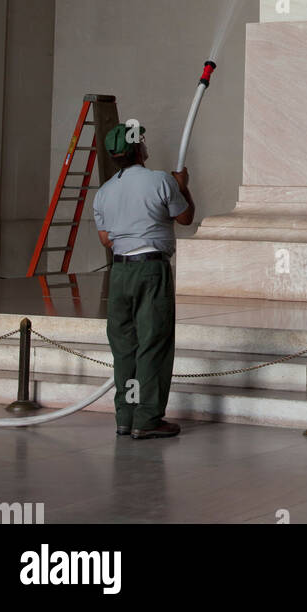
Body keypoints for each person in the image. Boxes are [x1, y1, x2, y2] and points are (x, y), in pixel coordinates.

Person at [93, 123, 194, 439]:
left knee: (125, 346)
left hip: (120, 273)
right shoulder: (161, 181)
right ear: (138, 149)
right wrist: (183, 186)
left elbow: (106, 239)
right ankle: (147, 419)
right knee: (153, 342)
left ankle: (126, 415)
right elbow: (186, 217)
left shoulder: (105, 191)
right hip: (151, 269)